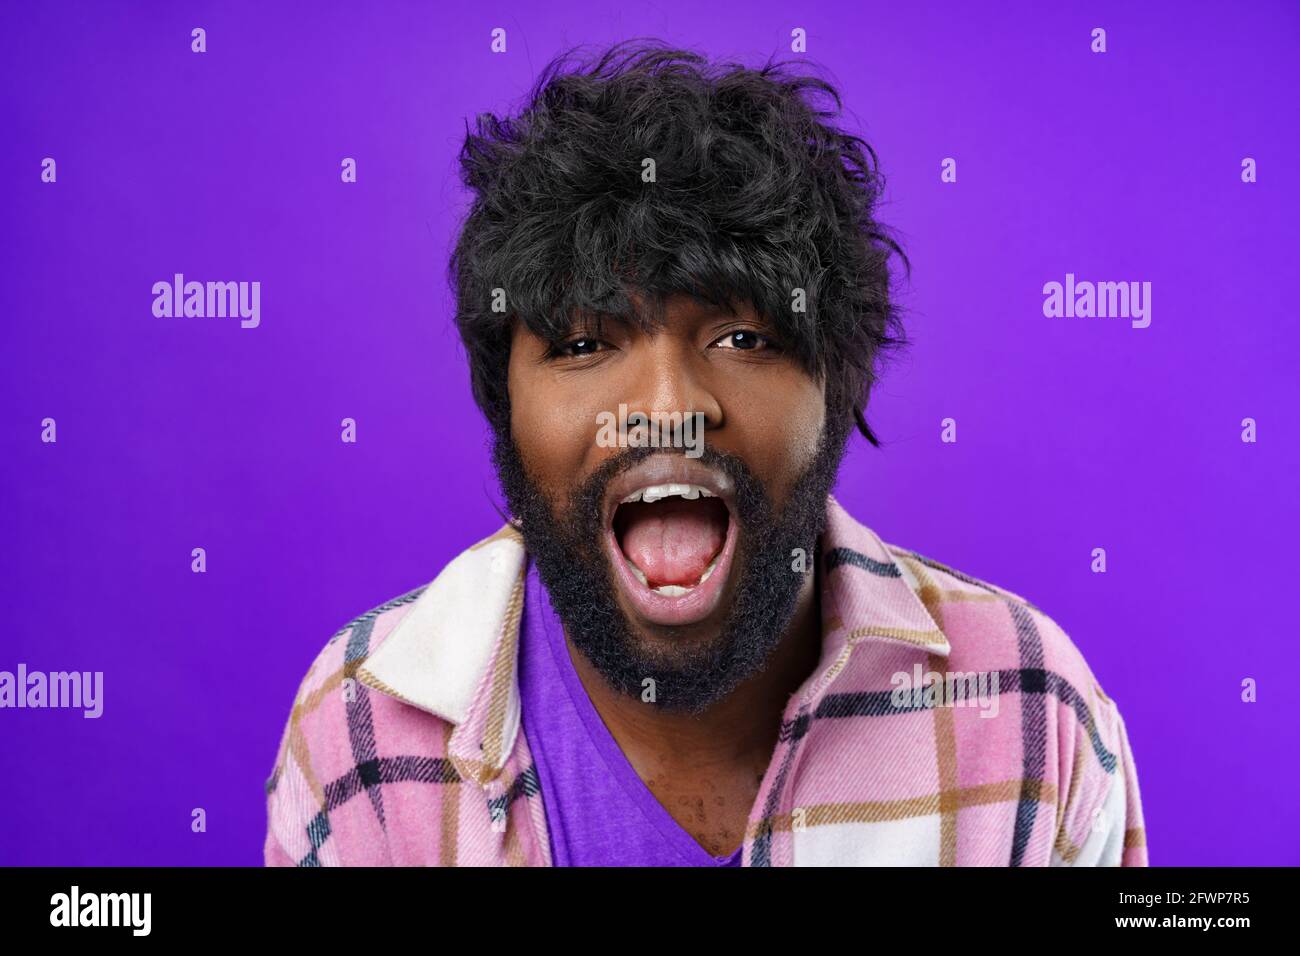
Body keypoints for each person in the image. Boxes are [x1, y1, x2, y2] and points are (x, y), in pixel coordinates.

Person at [264, 39, 1147, 867]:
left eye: (742, 337)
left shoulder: (1031, 710)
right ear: (507, 409)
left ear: (837, 388)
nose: (668, 410)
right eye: (582, 346)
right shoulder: (362, 726)